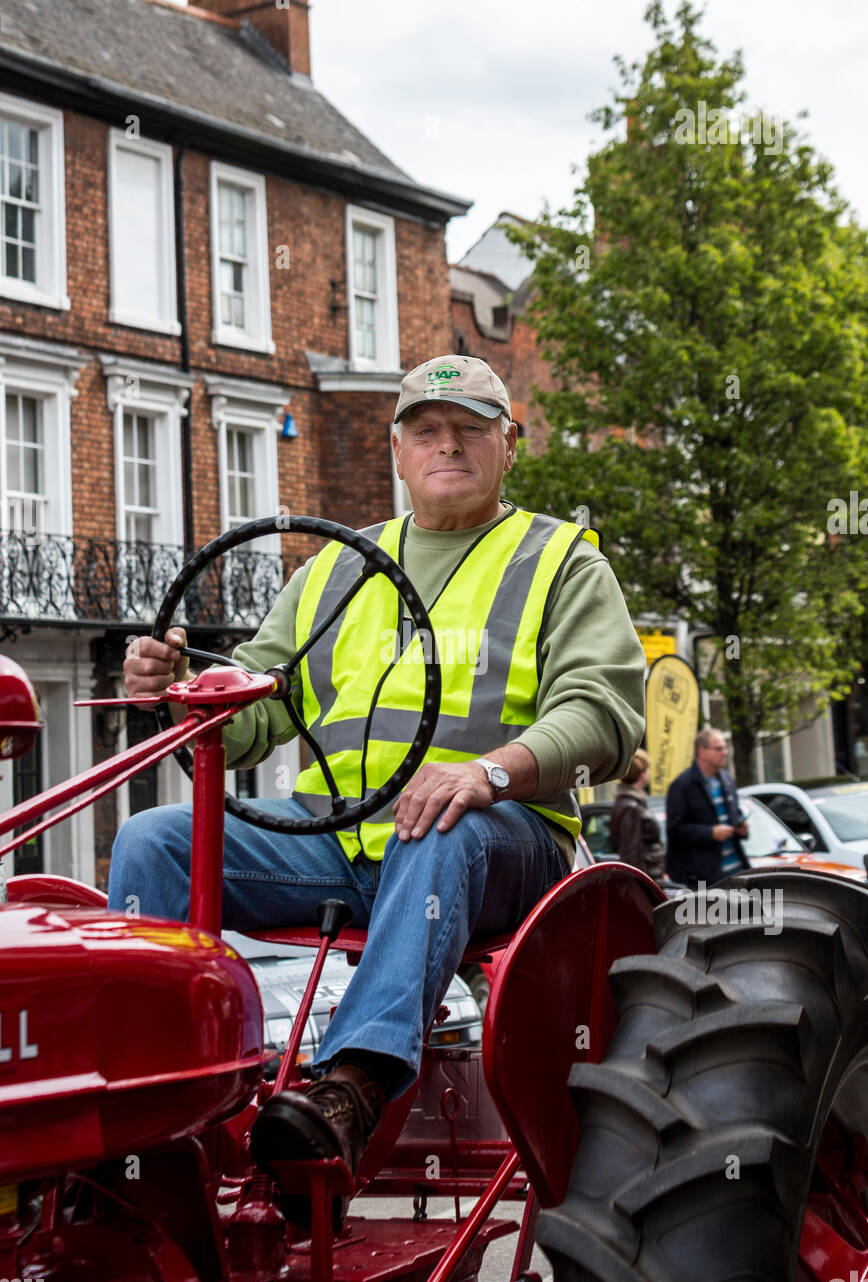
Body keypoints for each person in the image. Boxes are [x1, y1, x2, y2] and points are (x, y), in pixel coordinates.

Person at [108, 354, 646, 1229]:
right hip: (340, 842)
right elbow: (246, 716)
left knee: (436, 825)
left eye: (471, 428)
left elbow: (604, 716)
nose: (448, 444)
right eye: (427, 429)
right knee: (154, 840)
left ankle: (350, 1090)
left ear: (510, 446)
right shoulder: (334, 570)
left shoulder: (561, 561)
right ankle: (154, 1113)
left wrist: (486, 773)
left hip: (500, 845)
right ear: (397, 451)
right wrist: (172, 691)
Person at [665, 728, 749, 891]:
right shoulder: (682, 785)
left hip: (737, 871)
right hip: (704, 879)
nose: (725, 752)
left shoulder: (726, 780)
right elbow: (674, 830)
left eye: (725, 748)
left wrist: (742, 828)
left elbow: (734, 814)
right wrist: (709, 833)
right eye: (719, 748)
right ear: (702, 751)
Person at [609, 749, 666, 882]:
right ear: (642, 774)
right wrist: (640, 885)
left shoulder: (632, 802)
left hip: (650, 878)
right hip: (646, 882)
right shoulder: (630, 806)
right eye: (648, 769)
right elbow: (631, 853)